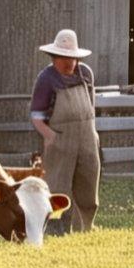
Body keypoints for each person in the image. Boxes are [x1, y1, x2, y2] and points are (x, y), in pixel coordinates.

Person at [30, 29, 100, 235]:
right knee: (58, 186)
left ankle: (85, 228)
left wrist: (92, 133)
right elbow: (36, 115)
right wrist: (49, 136)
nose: (68, 62)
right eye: (63, 57)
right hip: (60, 139)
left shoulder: (86, 74)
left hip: (87, 137)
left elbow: (91, 108)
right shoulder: (46, 79)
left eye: (72, 58)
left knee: (88, 185)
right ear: (54, 57)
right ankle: (55, 229)